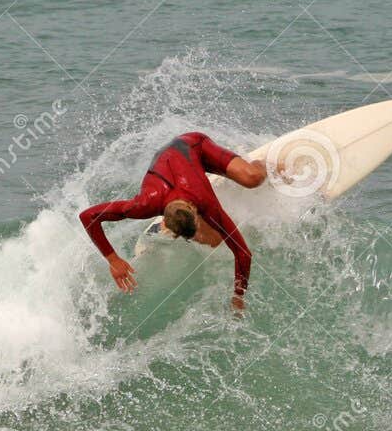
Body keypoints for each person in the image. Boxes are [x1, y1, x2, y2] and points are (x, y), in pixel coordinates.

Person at [79, 132, 266, 312]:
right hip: (167, 166)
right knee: (211, 240)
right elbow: (88, 216)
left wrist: (239, 296)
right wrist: (113, 259)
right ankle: (172, 226)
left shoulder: (204, 201)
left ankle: (262, 163)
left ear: (194, 211)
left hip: (193, 145)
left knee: (253, 179)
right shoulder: (144, 204)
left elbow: (242, 252)